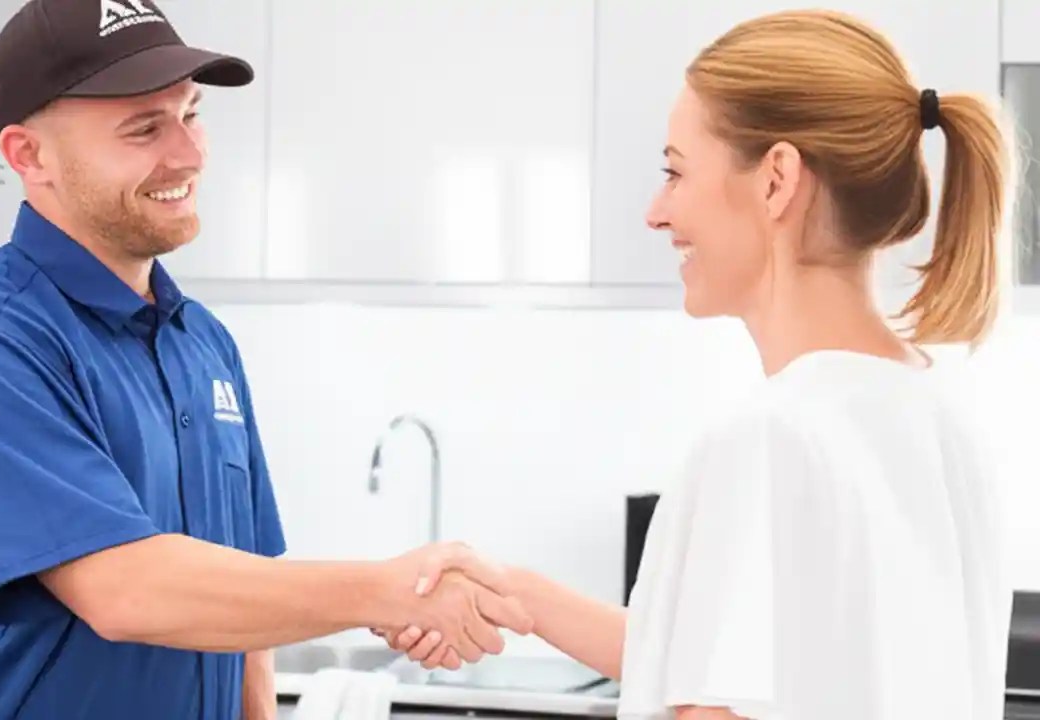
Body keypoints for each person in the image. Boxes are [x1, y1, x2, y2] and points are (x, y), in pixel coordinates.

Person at [0, 1, 530, 719]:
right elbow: (127, 590)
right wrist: (384, 588)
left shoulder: (203, 342)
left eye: (191, 114)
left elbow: (247, 601)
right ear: (29, 156)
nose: (188, 154)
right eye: (144, 129)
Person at [387, 9, 1016, 720]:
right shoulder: (945, 426)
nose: (656, 212)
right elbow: (762, 672)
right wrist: (524, 597)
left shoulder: (768, 441)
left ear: (777, 180)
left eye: (674, 172)